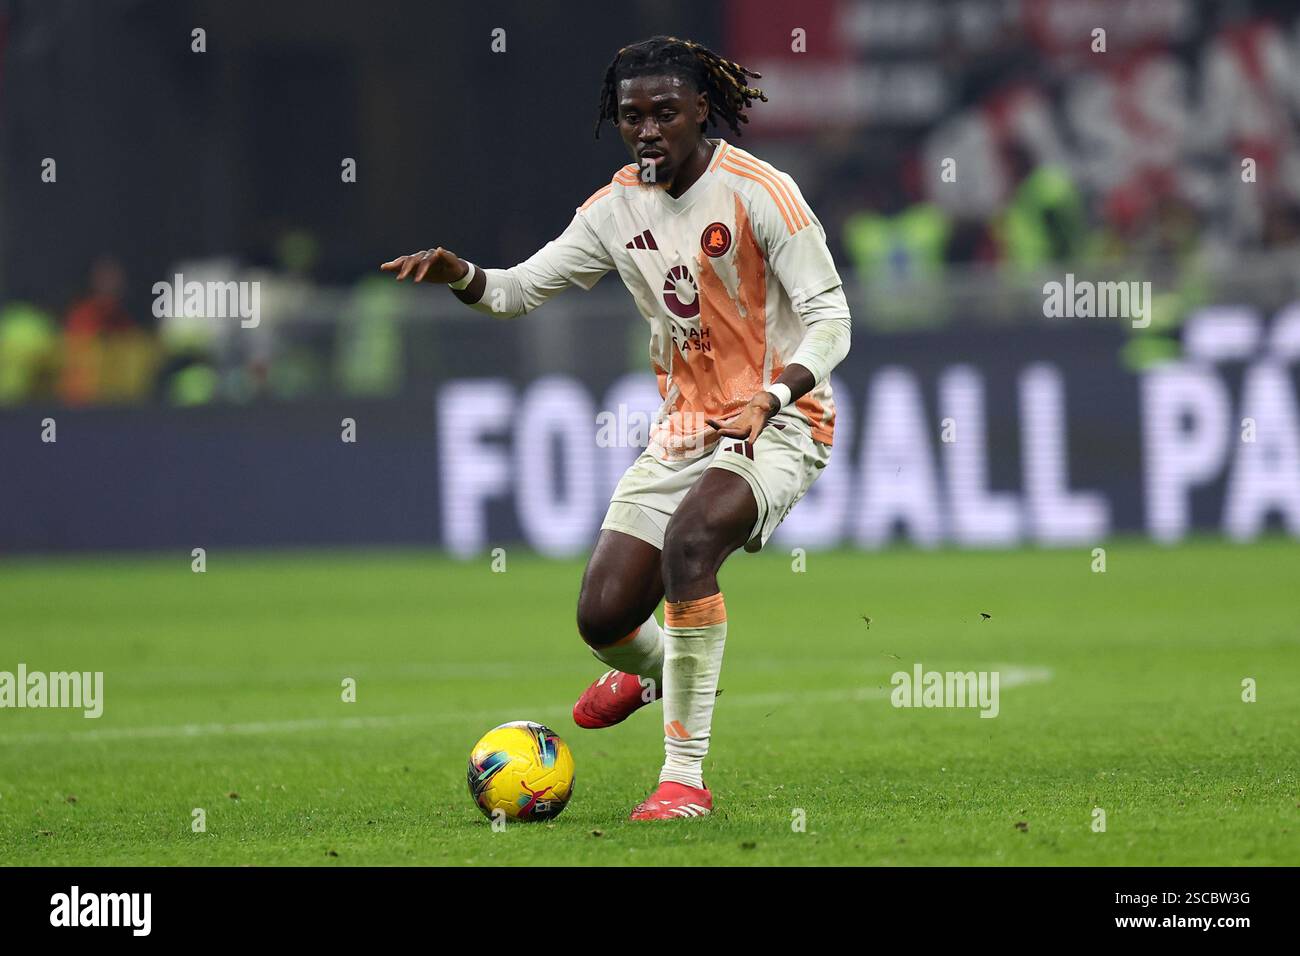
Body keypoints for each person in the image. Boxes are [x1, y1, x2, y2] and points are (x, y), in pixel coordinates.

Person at [381, 36, 851, 820]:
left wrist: (773, 395)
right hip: (684, 429)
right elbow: (516, 291)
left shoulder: (762, 192)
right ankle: (654, 669)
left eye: (666, 113)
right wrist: (461, 274)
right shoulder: (613, 208)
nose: (648, 131)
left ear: (703, 110)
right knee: (602, 617)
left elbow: (831, 320)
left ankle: (684, 780)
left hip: (781, 418)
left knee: (692, 546)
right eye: (631, 116)